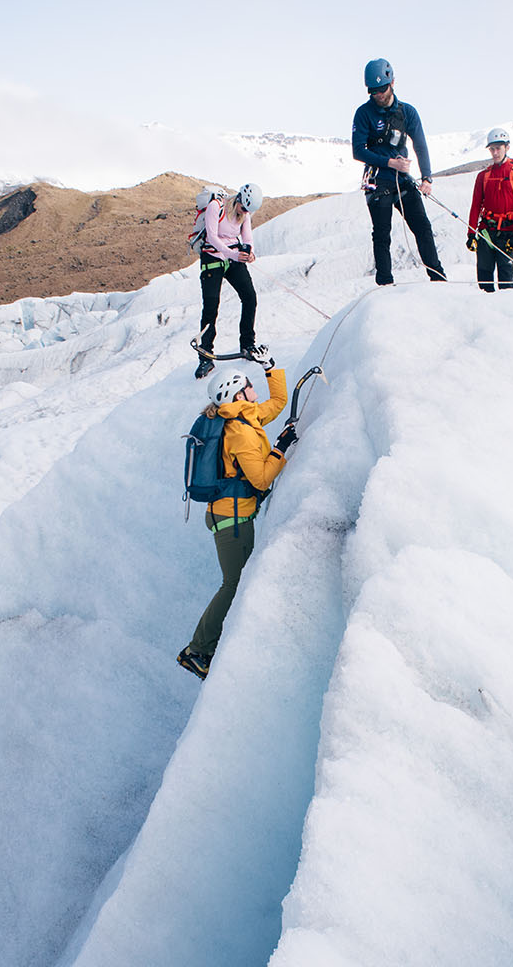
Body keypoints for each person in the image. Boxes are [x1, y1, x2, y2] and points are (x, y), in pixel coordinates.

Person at [178, 360, 298, 680]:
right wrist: (281, 449)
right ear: (236, 394)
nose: (253, 388)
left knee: (235, 582)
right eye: (248, 384)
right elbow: (260, 480)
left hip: (231, 515)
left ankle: (204, 646)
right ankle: (197, 650)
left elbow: (277, 403)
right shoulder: (240, 433)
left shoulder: (246, 416)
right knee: (233, 585)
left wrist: (272, 369)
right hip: (232, 521)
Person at [351, 58, 446, 285]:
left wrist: (427, 178)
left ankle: (439, 279)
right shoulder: (363, 113)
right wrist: (390, 163)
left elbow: (420, 145)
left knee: (422, 227)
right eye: (373, 91)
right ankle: (385, 284)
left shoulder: (407, 112)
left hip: (403, 180)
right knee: (382, 234)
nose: (378, 95)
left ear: (392, 82)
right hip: (378, 181)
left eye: (382, 89)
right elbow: (358, 151)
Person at [194, 182, 268, 379]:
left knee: (250, 297)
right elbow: (212, 236)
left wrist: (248, 252)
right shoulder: (216, 207)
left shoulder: (245, 214)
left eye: (247, 211)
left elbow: (248, 237)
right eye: (243, 208)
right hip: (212, 257)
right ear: (238, 199)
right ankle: (205, 355)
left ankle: (247, 344)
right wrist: (232, 255)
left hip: (233, 258)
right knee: (211, 306)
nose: (243, 212)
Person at [467, 127, 513, 292]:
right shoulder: (483, 176)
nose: (495, 153)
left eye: (498, 148)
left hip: (508, 233)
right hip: (486, 232)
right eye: (492, 149)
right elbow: (475, 206)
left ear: (507, 147)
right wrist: (471, 233)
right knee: (484, 283)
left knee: (506, 283)